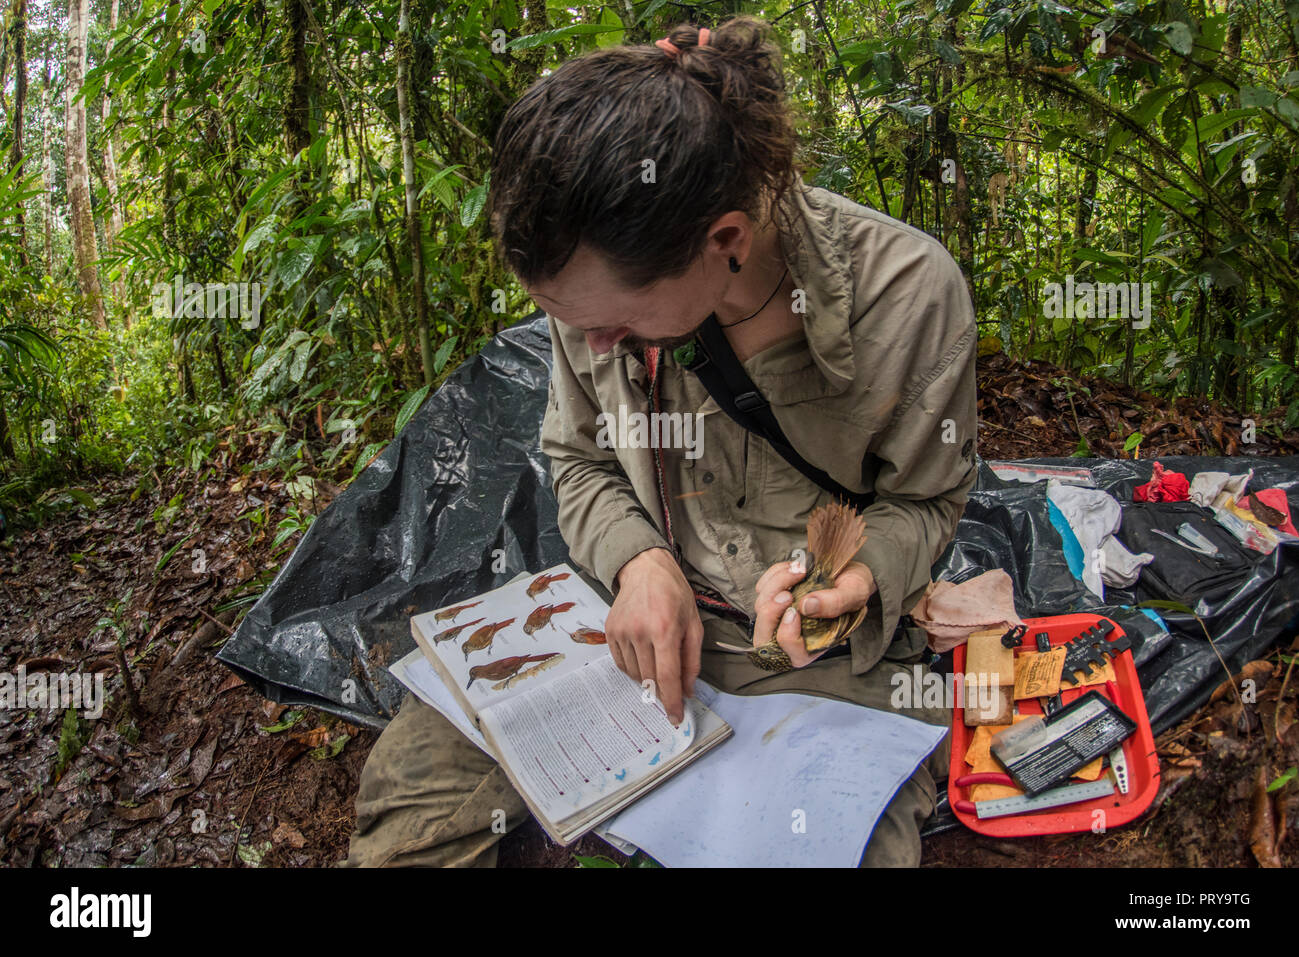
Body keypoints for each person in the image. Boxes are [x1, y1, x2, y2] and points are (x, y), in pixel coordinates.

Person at [342, 15, 977, 868]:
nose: (590, 345)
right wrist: (640, 560)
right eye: (571, 321)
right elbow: (578, 457)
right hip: (624, 625)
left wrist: (859, 580)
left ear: (723, 242)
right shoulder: (593, 288)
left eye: (614, 323)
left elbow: (927, 497)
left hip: (812, 660)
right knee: (413, 810)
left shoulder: (908, 295)